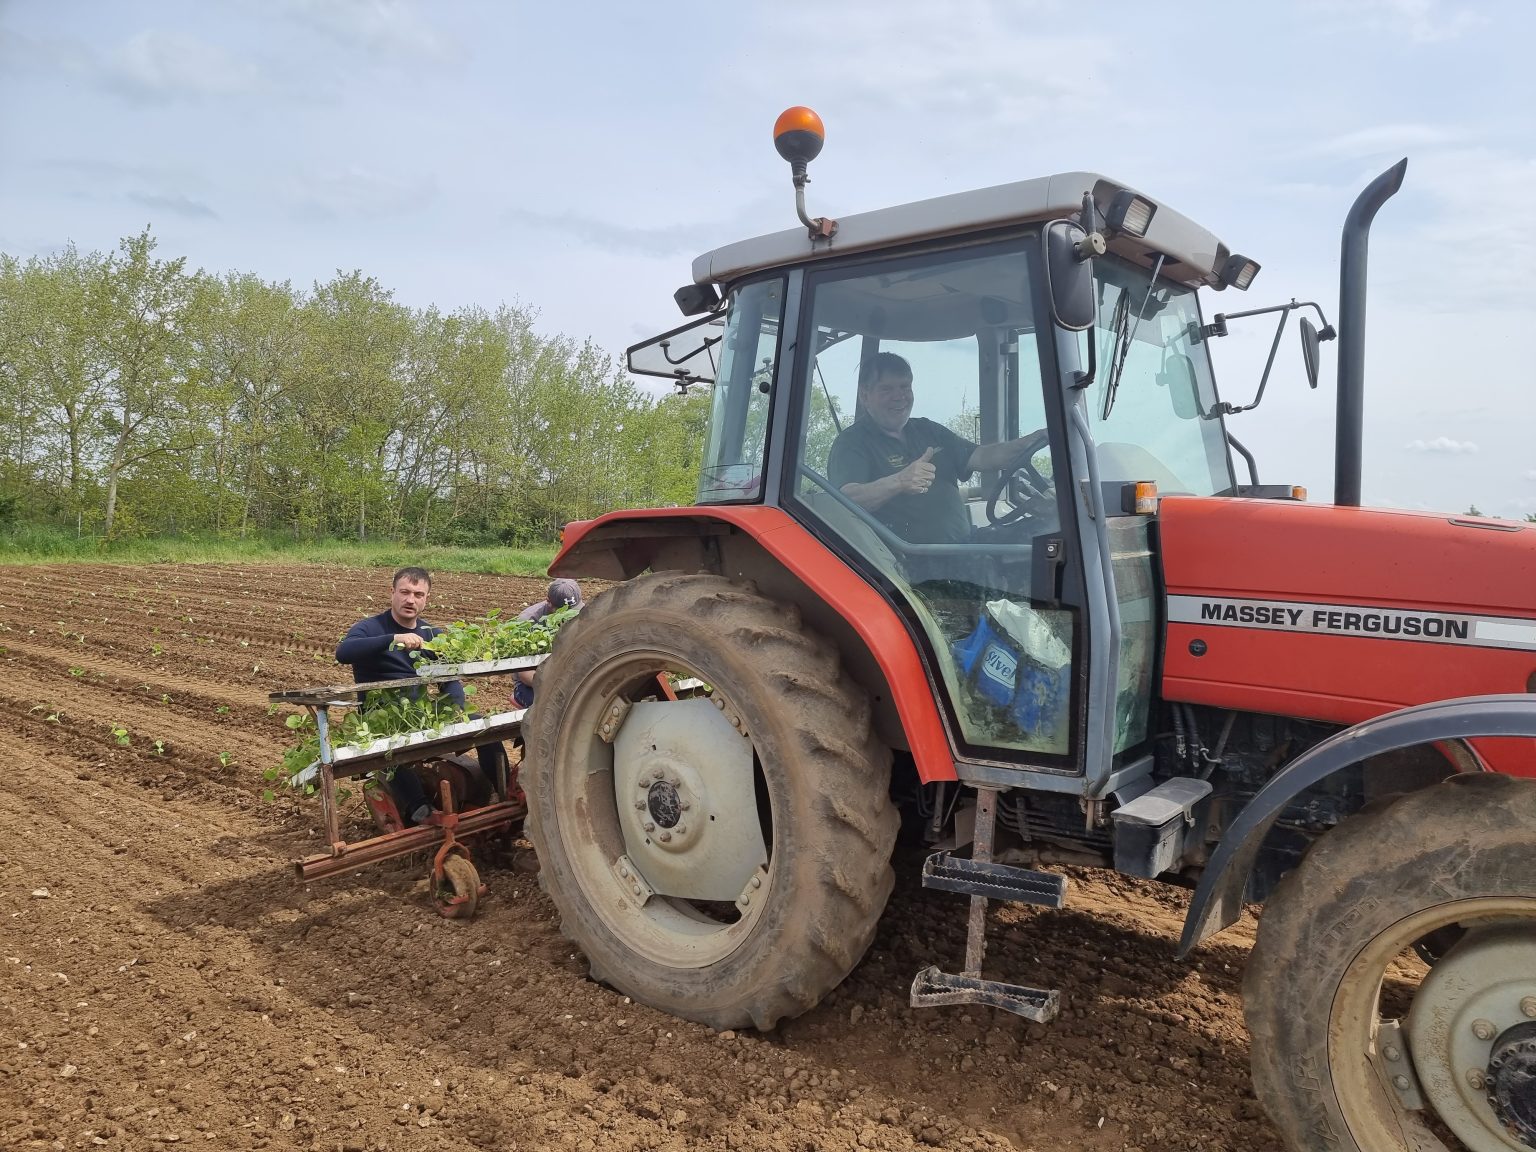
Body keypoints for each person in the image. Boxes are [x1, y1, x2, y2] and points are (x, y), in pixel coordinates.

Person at [334, 566, 501, 825]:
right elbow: (343, 653)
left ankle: (502, 791)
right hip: (383, 718)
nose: (411, 600)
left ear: (426, 599)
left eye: (418, 594)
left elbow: (449, 678)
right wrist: (393, 638)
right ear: (392, 593)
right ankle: (419, 808)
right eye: (405, 592)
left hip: (425, 714)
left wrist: (455, 709)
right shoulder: (370, 628)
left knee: (485, 728)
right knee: (390, 746)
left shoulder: (432, 635)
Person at [827, 352, 1040, 545]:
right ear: (865, 396)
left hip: (963, 548)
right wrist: (899, 481)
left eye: (905, 386)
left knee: (1044, 532)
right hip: (911, 564)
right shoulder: (852, 442)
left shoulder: (927, 430)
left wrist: (1031, 442)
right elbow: (846, 501)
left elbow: (982, 456)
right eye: (887, 389)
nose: (899, 396)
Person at [511, 579, 583, 709]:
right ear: (549, 603)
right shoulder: (528, 621)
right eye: (565, 612)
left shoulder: (582, 613)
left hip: (569, 680)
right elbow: (525, 674)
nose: (571, 616)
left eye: (574, 611)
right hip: (532, 685)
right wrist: (557, 684)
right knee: (556, 710)